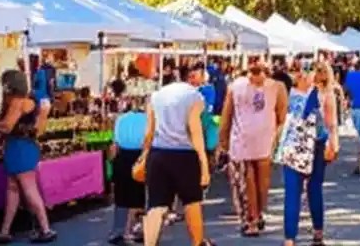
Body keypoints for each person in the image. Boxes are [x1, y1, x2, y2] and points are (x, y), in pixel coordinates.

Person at [141, 64, 213, 246]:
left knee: (156, 205)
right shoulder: (195, 97)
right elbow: (195, 131)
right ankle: (198, 243)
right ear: (191, 76)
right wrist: (204, 164)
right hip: (185, 154)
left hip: (158, 153)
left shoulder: (156, 96)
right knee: (192, 201)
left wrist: (144, 155)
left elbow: (149, 132)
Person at [220, 61, 286, 237]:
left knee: (248, 180)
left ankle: (252, 218)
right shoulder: (277, 87)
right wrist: (276, 137)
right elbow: (282, 115)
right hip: (262, 141)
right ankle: (256, 215)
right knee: (260, 180)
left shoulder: (235, 86)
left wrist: (223, 142)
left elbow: (226, 116)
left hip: (243, 141)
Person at [281, 61, 339, 246]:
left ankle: (289, 238)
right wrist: (334, 145)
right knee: (314, 189)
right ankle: (318, 231)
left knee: (292, 192)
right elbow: (332, 124)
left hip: (292, 146)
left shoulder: (289, 94)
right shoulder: (325, 94)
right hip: (316, 145)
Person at [0, 70, 56, 243]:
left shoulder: (17, 102)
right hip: (28, 147)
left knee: (25, 189)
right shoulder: (34, 101)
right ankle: (5, 230)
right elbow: (39, 129)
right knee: (16, 187)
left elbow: (6, 127)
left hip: (17, 147)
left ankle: (45, 228)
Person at [109, 100, 148, 244]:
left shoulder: (121, 119)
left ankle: (117, 231)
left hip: (121, 158)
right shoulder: (148, 119)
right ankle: (133, 229)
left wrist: (112, 163)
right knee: (139, 196)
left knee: (121, 196)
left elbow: (114, 145)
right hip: (140, 157)